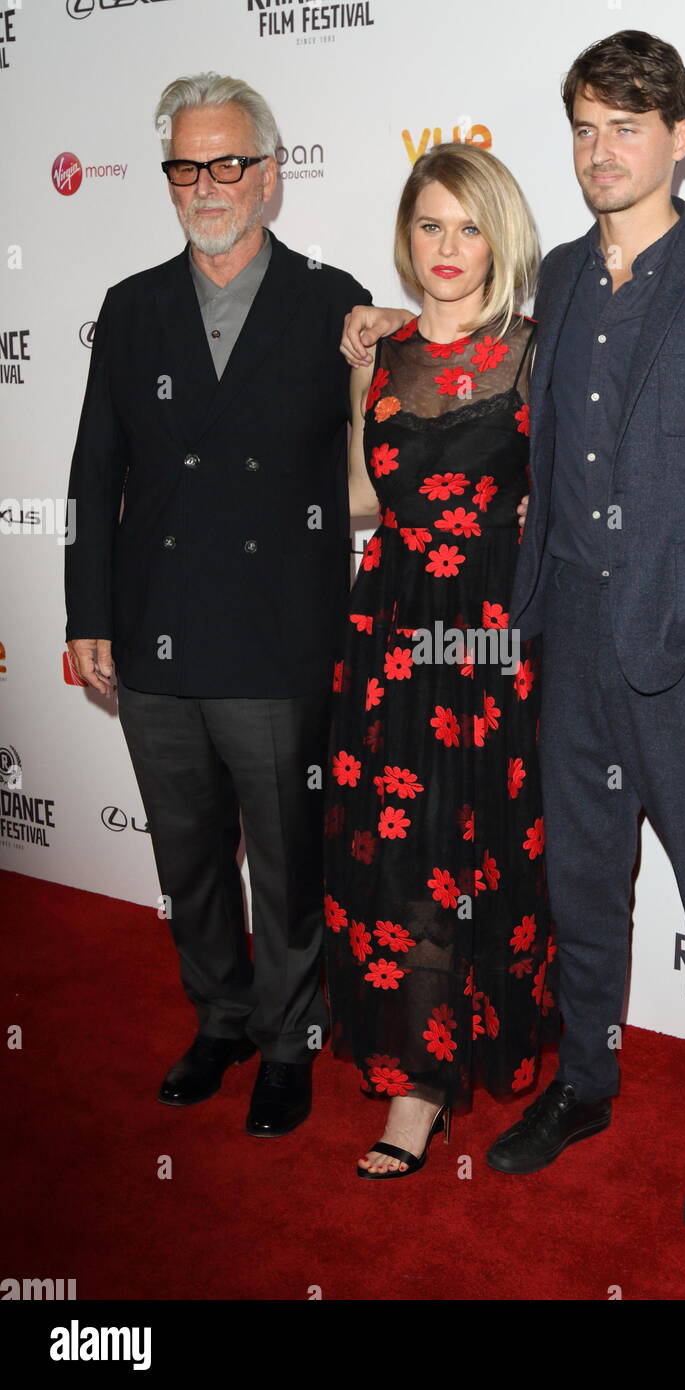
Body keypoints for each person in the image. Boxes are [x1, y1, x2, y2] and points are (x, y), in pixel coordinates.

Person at [343, 30, 685, 1230]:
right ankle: (585, 1082)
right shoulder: (555, 279)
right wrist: (374, 330)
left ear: (681, 138)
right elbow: (459, 351)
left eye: (626, 126)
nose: (599, 150)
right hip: (561, 656)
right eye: (583, 127)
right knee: (579, 895)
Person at [65, 73, 371, 1137]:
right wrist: (85, 613)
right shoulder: (130, 305)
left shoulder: (334, 303)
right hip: (154, 630)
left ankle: (289, 1039)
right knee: (187, 855)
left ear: (270, 173)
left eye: (229, 162)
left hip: (279, 636)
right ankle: (223, 1016)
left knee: (288, 856)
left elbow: (375, 474)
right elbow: (94, 467)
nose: (208, 184)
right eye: (187, 165)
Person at [324, 143, 557, 1177]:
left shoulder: (536, 352)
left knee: (474, 855)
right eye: (430, 225)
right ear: (406, 238)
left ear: (498, 237)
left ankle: (460, 1063)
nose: (448, 246)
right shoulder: (383, 349)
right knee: (405, 856)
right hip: (389, 629)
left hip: (489, 633)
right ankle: (416, 1086)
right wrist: (360, 374)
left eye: (468, 226)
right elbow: (367, 501)